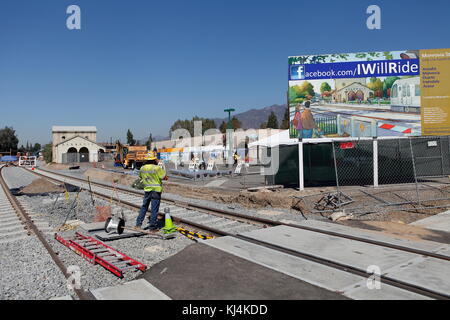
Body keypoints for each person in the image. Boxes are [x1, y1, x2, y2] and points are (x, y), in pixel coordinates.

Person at [135, 152, 168, 230]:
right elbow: (164, 177)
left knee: (144, 207)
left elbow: (140, 177)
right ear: (154, 159)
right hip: (156, 191)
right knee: (154, 209)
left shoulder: (142, 168)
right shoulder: (157, 168)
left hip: (147, 190)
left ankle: (138, 225)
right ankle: (152, 227)